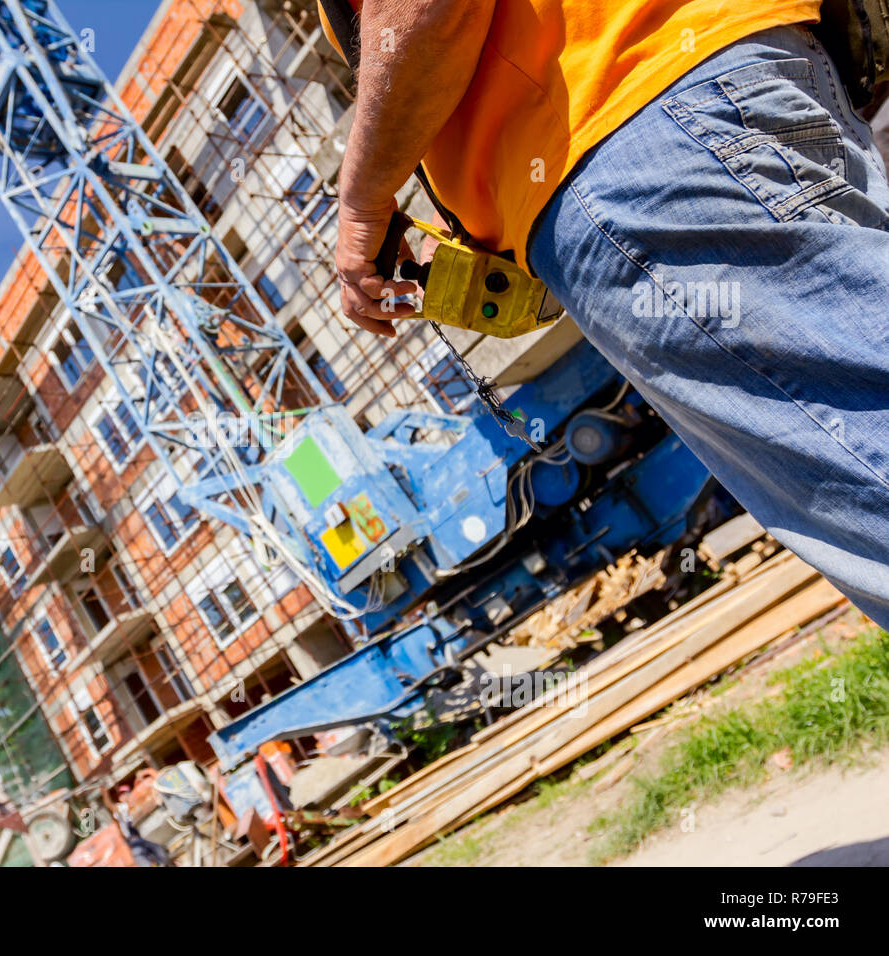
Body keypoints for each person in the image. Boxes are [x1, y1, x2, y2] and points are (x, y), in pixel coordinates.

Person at [324, 0, 889, 628]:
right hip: (718, 80)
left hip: (631, 139)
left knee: (866, 466)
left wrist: (362, 201)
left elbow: (428, 11)